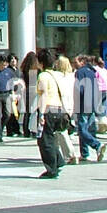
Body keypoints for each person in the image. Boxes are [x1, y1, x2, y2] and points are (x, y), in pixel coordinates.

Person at [36, 51, 69, 179]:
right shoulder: (58, 75)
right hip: (59, 109)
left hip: (49, 109)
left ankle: (51, 169)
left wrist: (41, 114)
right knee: (51, 138)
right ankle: (58, 161)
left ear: (41, 62)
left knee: (45, 141)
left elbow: (44, 94)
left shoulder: (43, 76)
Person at [73, 55, 106, 163]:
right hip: (92, 103)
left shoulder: (80, 72)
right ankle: (84, 153)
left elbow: (79, 89)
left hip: (83, 103)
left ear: (82, 62)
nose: (74, 64)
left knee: (82, 129)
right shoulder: (92, 72)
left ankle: (96, 145)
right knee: (88, 128)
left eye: (75, 62)